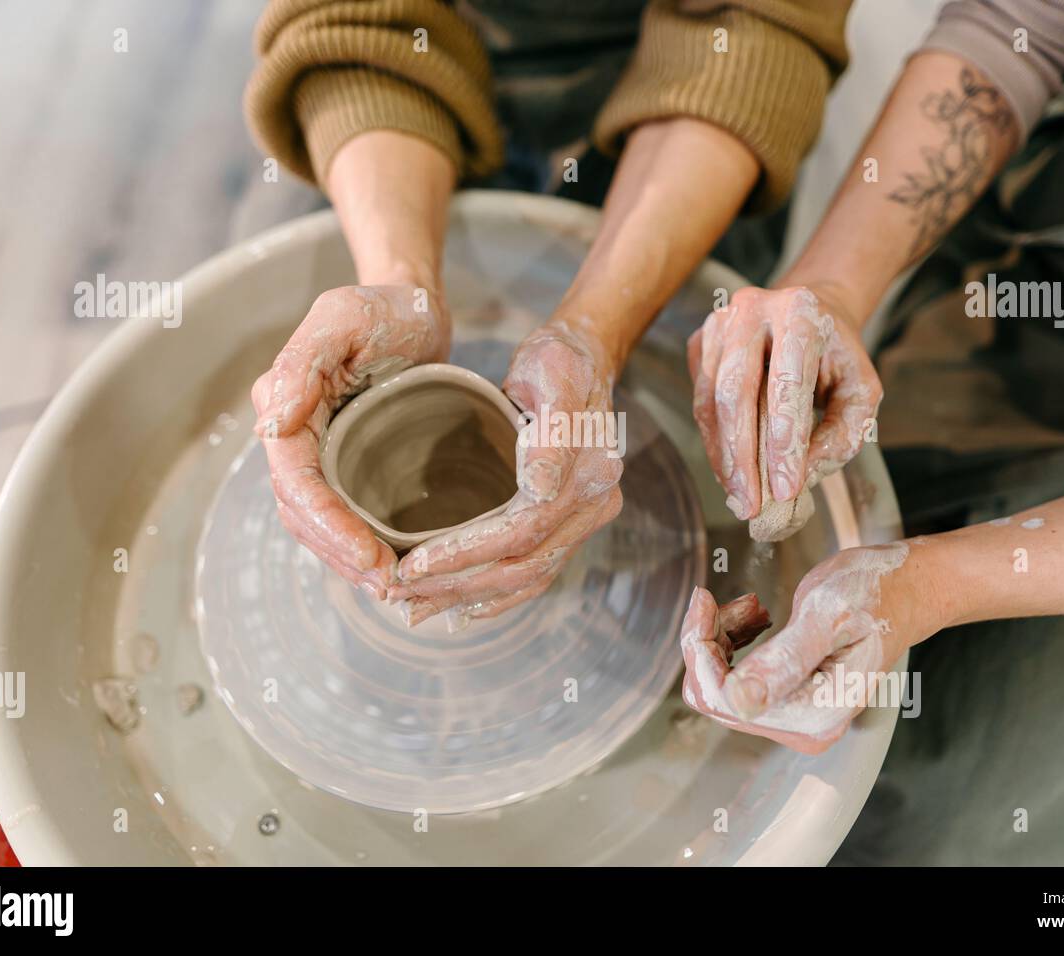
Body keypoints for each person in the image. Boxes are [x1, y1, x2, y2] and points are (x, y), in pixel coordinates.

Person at [681, 0, 1064, 864]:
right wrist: (830, 291)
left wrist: (929, 587)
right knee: (871, 508)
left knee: (942, 775)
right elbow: (1026, 19)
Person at [243, 0, 852, 624]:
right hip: (408, 87)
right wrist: (400, 284)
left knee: (702, 359)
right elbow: (353, 22)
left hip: (687, 108)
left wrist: (592, 336)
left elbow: (756, 34)